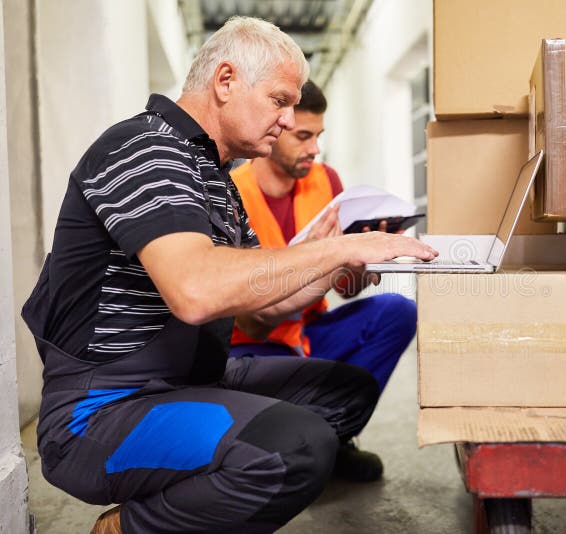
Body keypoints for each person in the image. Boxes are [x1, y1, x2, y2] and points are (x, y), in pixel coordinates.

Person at [21, 16, 436, 534]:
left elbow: (262, 309)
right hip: (102, 408)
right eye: (279, 101)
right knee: (298, 447)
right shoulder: (146, 148)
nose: (287, 120)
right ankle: (131, 526)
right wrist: (344, 245)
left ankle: (204, 486)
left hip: (189, 379)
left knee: (345, 393)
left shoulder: (214, 178)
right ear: (225, 81)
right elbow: (195, 291)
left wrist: (334, 261)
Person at [228, 80, 417, 482]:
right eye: (303, 136)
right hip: (249, 348)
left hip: (309, 333)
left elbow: (346, 287)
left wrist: (362, 264)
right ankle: (302, 443)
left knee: (398, 311)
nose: (314, 148)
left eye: (319, 136)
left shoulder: (325, 180)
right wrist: (326, 261)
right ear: (275, 129)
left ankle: (331, 437)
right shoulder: (231, 191)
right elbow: (250, 317)